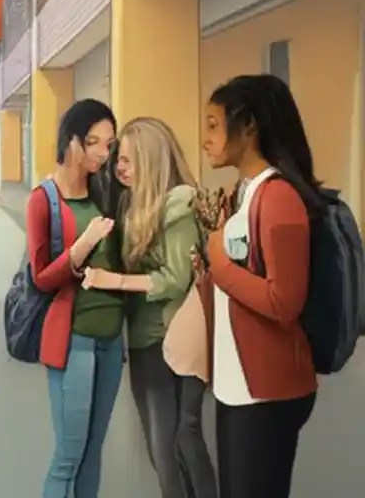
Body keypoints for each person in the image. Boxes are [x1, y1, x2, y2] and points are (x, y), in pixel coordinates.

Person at [195, 74, 319, 498]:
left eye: (213, 125)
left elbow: (284, 302)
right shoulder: (242, 193)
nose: (205, 138)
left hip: (268, 389)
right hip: (237, 383)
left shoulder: (279, 198)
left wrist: (219, 264)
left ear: (248, 126)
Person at [82, 117, 217, 498]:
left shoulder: (178, 204)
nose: (119, 167)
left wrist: (118, 281)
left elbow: (176, 277)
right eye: (117, 159)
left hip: (171, 337)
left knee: (173, 443)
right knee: (166, 448)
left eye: (127, 159)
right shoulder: (132, 203)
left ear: (152, 159)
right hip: (146, 337)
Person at [27, 99, 119, 498]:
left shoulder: (108, 191)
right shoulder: (43, 199)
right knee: (69, 453)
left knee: (94, 452)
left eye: (109, 144)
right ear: (72, 141)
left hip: (112, 340)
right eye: (94, 142)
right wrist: (82, 246)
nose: (103, 153)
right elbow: (42, 277)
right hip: (73, 339)